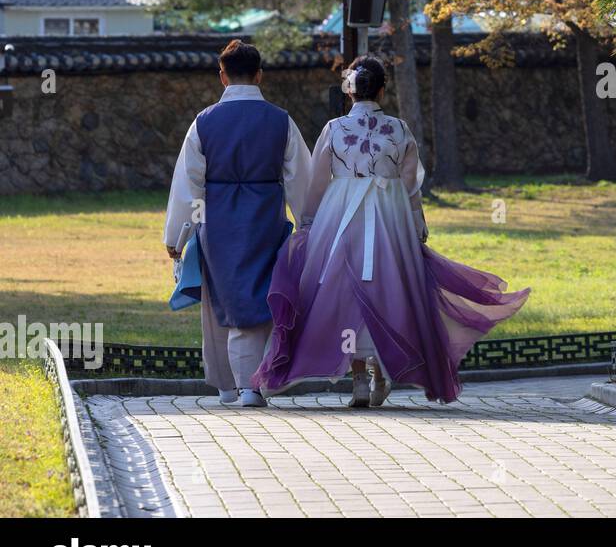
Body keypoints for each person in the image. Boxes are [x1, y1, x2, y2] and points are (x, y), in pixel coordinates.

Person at [252, 56, 528, 407]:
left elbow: (318, 183)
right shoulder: (399, 129)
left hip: (342, 214)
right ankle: (381, 374)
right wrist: (417, 224)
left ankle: (358, 382)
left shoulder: (334, 129)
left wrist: (309, 222)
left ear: (349, 90)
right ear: (383, 89)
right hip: (389, 213)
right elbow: (411, 186)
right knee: (389, 288)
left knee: (343, 292)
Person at [164, 40, 310, 407]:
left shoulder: (205, 121)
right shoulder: (281, 120)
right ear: (259, 75)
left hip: (219, 220)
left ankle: (230, 385)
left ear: (222, 76)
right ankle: (254, 383)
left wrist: (178, 235)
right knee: (262, 295)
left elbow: (189, 185)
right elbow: (300, 180)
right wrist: (309, 224)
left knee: (221, 302)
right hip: (265, 217)